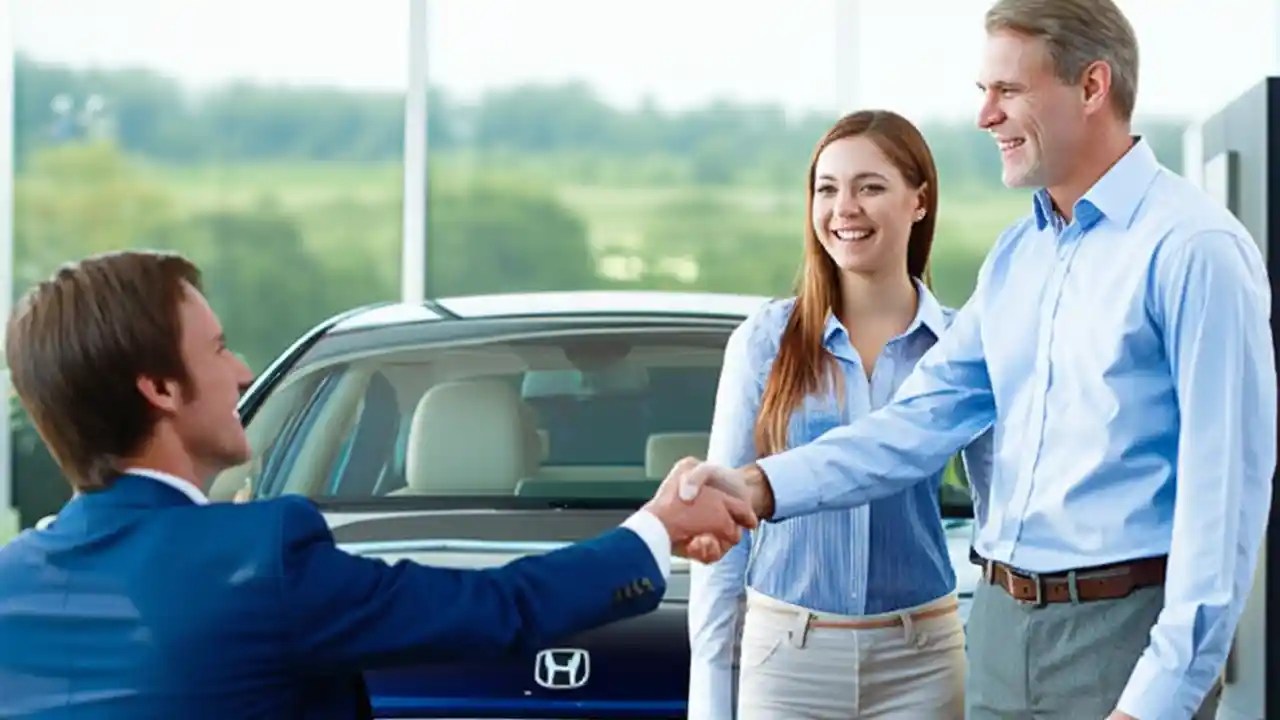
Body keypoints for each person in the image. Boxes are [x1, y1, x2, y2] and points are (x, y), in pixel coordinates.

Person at [675, 0, 1276, 718]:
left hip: (1120, 638)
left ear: (1092, 88)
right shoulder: (1019, 256)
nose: (985, 116)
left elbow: (1226, 502)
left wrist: (1157, 700)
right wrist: (757, 488)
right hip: (998, 631)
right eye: (983, 92)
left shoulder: (1193, 250)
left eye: (1008, 91)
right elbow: (916, 423)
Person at [0, 250, 757, 719]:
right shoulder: (262, 555)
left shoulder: (12, 585)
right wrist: (658, 525)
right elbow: (497, 607)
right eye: (221, 349)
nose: (239, 372)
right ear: (160, 389)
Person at [687, 109, 989, 720]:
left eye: (870, 187)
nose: (844, 207)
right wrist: (713, 694)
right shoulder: (765, 341)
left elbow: (1001, 514)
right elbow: (724, 534)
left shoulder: (960, 348)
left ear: (919, 201)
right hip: (788, 658)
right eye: (827, 189)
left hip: (923, 658)